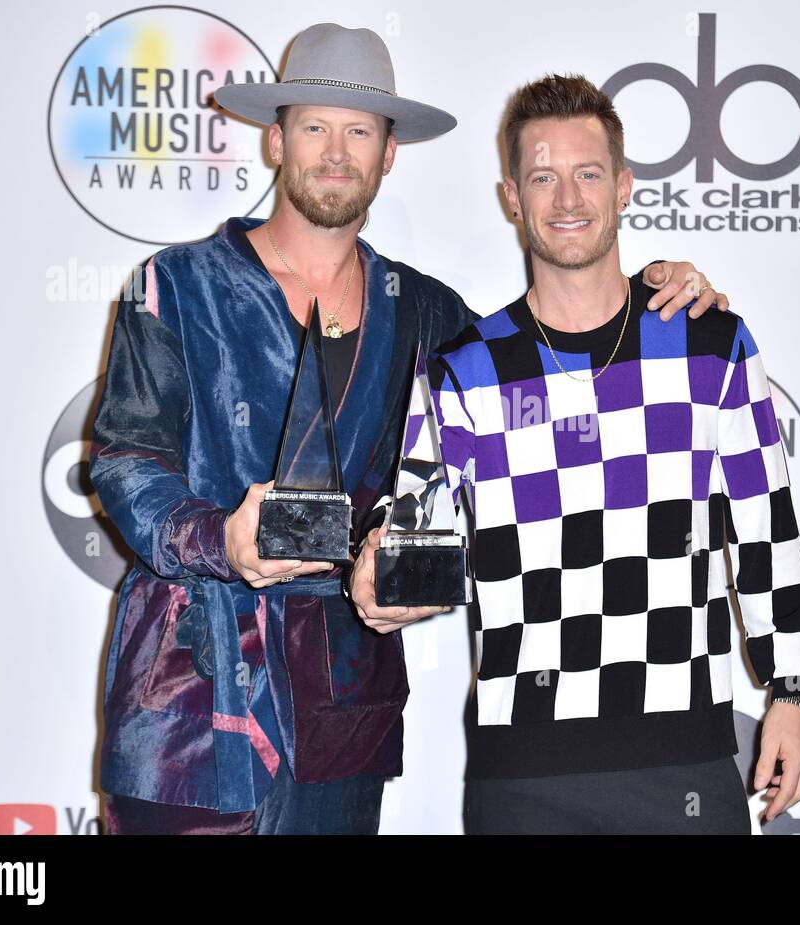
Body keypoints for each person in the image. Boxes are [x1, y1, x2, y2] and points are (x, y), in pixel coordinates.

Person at [91, 24, 729, 834]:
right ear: (276, 139)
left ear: (388, 154)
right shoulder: (174, 287)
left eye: (359, 132)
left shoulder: (429, 315)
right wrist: (222, 537)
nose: (335, 151)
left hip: (343, 714)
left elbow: (553, 375)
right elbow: (124, 465)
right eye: (315, 127)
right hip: (186, 707)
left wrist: (654, 299)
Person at [351, 74, 800, 834]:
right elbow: (411, 533)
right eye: (543, 176)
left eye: (588, 174)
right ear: (512, 197)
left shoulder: (710, 345)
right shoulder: (465, 369)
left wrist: (793, 691)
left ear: (625, 186)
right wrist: (382, 569)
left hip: (686, 763)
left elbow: (767, 528)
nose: (567, 198)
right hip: (523, 776)